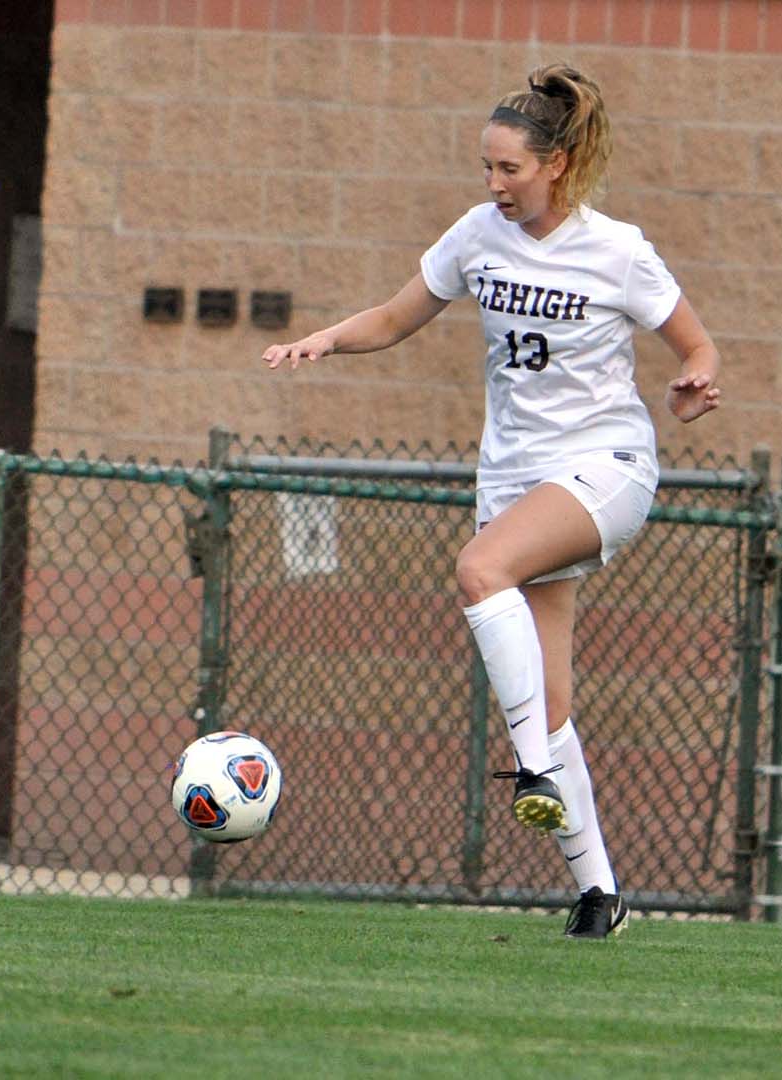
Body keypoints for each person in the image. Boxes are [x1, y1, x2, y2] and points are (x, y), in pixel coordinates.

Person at [261, 63, 721, 940]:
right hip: (513, 476)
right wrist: (322, 340)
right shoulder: (478, 235)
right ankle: (599, 895)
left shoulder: (617, 248)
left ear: (556, 166)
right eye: (486, 168)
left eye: (509, 169)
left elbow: (695, 347)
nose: (493, 184)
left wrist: (694, 383)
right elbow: (397, 317)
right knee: (546, 698)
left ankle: (532, 771)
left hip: (607, 464)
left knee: (480, 570)